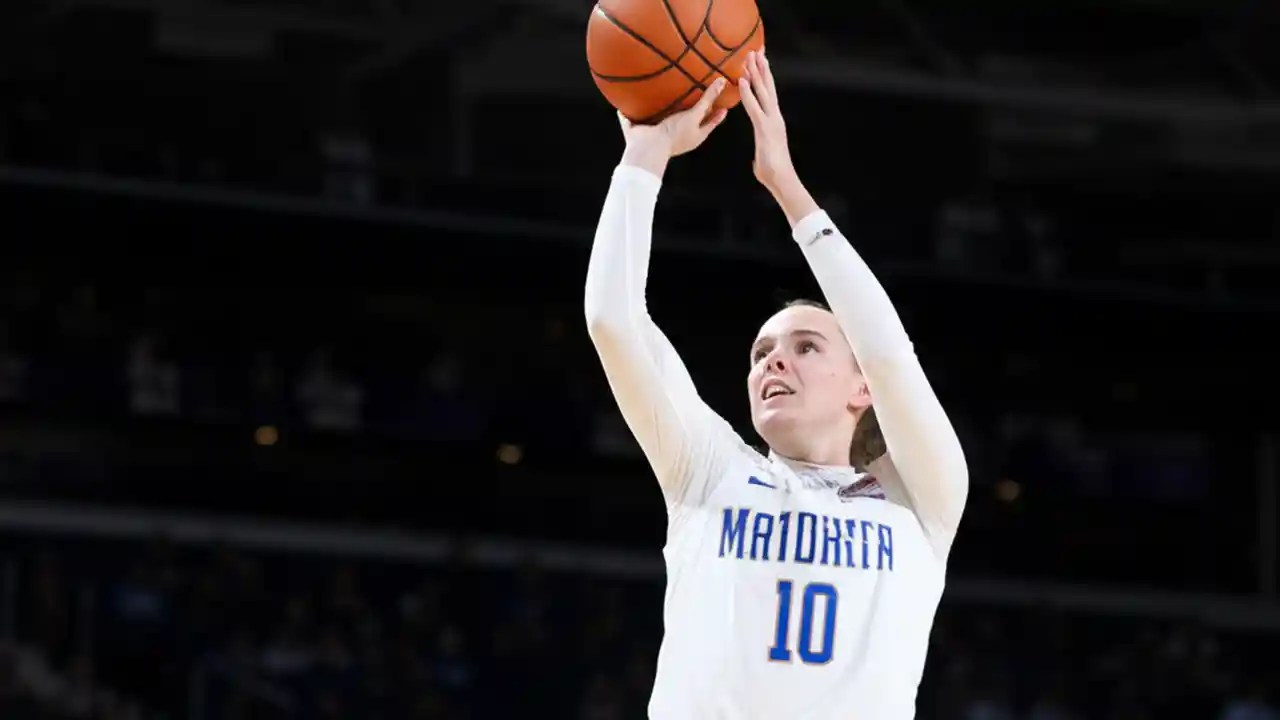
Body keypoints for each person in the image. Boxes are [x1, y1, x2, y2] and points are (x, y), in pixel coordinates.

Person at [584, 50, 969, 720]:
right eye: (761, 352)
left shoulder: (921, 500)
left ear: (861, 387)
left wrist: (788, 188)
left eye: (805, 346)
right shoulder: (708, 470)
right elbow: (613, 320)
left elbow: (888, 352)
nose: (772, 362)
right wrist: (644, 155)